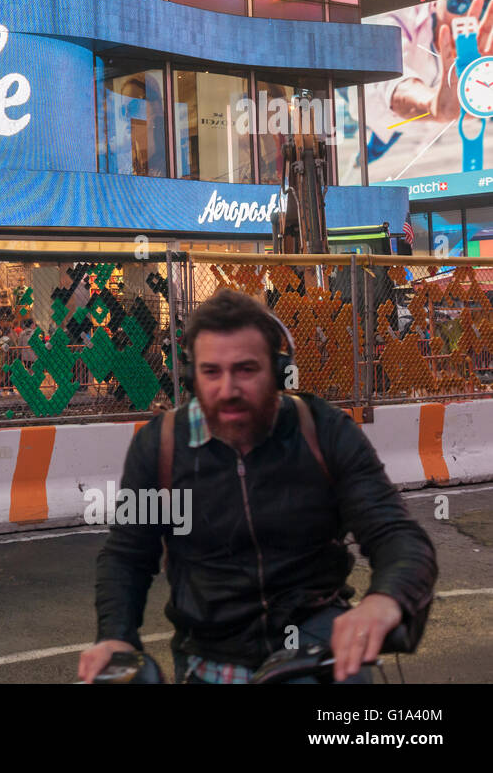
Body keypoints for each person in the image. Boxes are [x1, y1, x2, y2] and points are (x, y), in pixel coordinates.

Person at [78, 289, 437, 685]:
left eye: (246, 370)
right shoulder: (161, 447)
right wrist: (115, 637)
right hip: (208, 659)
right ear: (192, 377)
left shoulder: (324, 431)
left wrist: (386, 599)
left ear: (278, 372)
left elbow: (395, 533)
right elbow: (127, 555)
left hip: (315, 649)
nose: (228, 389)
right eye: (211, 372)